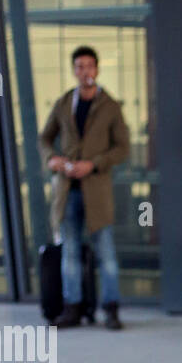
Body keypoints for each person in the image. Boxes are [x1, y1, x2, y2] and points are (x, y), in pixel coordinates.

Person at [38, 45, 130, 330]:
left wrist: (94, 164)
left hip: (96, 191)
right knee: (70, 253)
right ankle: (72, 308)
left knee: (106, 254)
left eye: (89, 66)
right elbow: (45, 138)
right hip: (67, 192)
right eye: (79, 66)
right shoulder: (65, 102)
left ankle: (111, 309)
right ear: (74, 70)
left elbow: (122, 148)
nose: (85, 71)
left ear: (97, 69)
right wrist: (53, 160)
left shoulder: (110, 106)